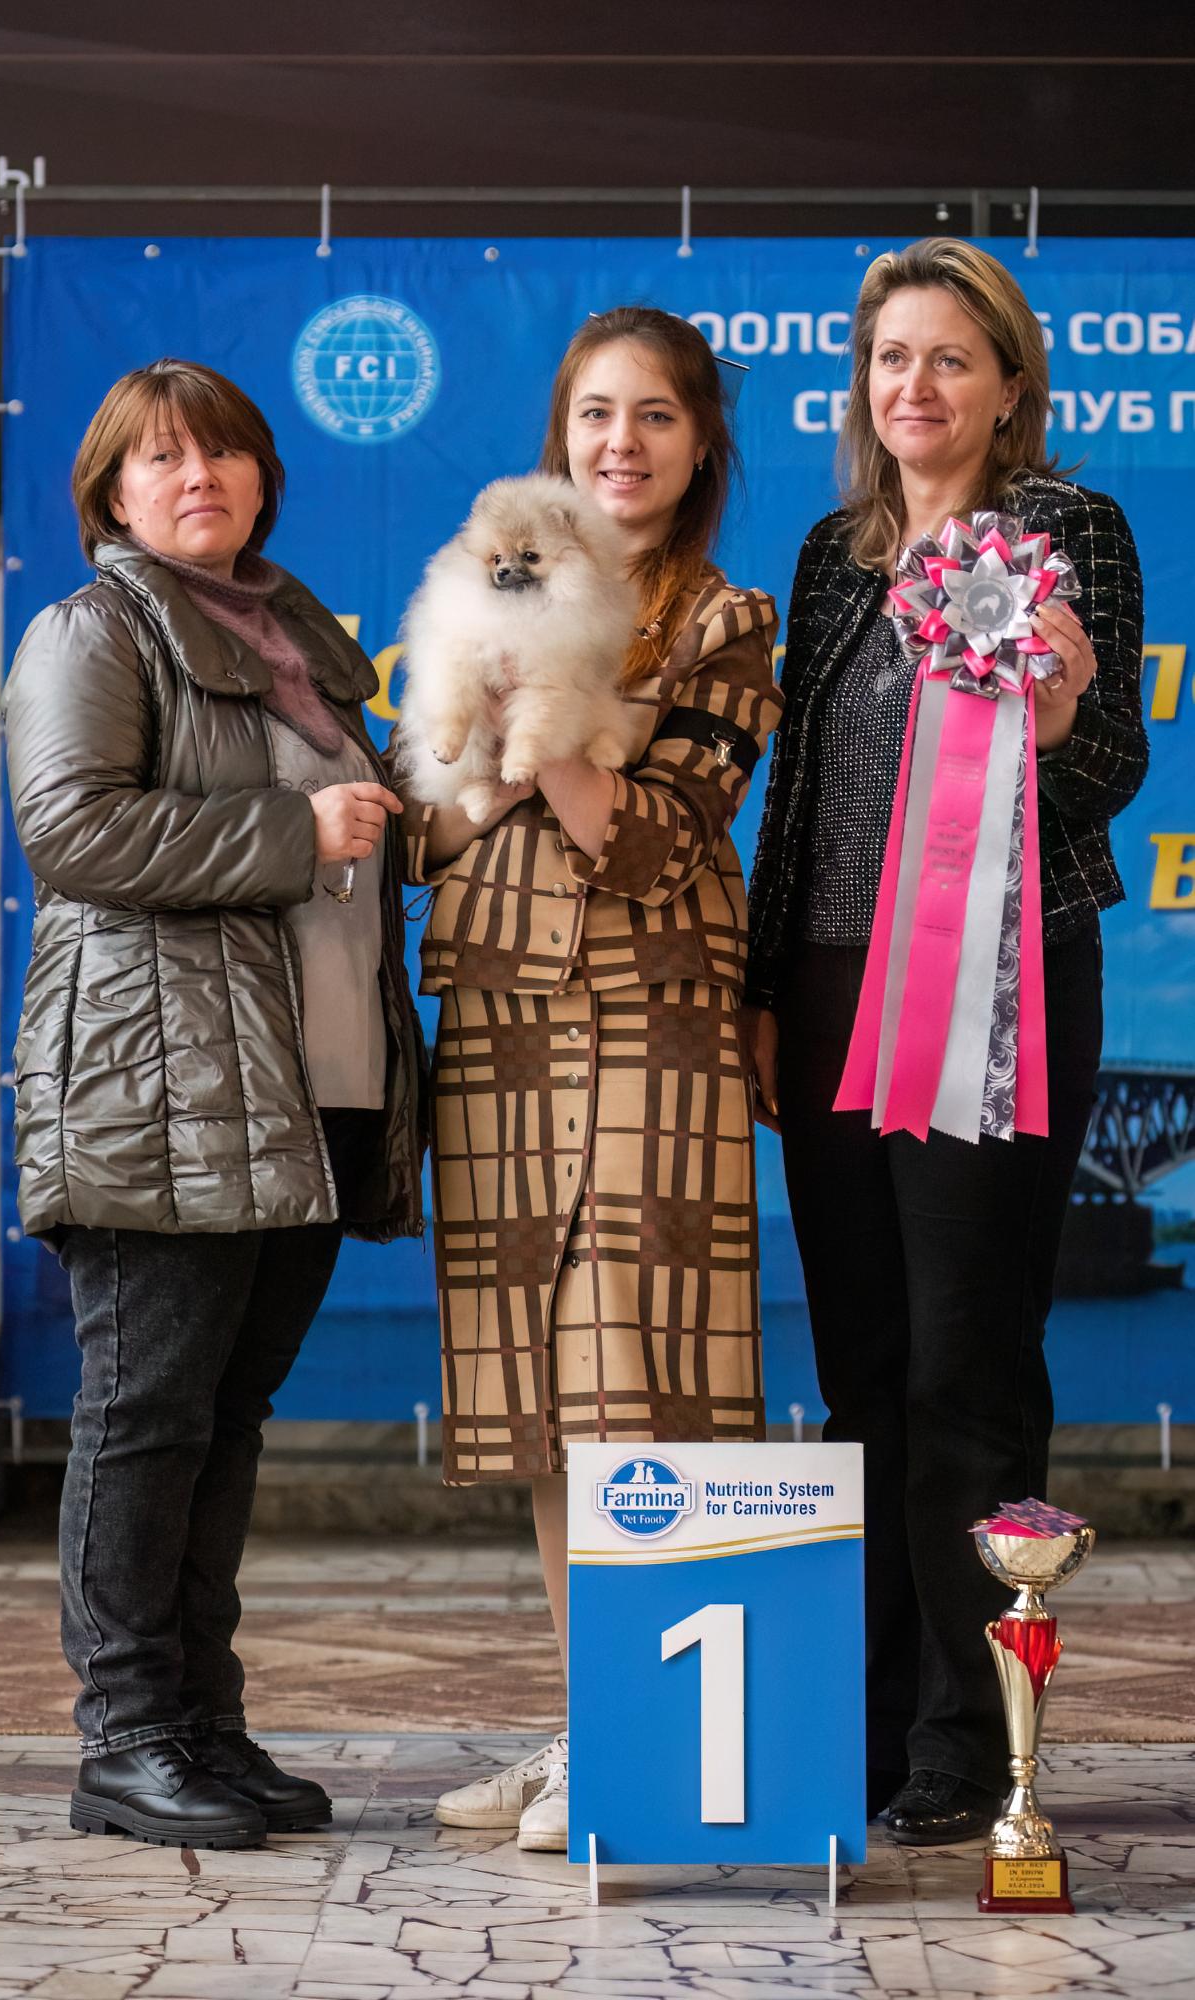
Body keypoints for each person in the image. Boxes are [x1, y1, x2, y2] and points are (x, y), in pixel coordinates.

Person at [743, 240, 1147, 1844]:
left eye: (950, 360)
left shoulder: (1064, 533)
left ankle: (972, 1748)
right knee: (863, 1371)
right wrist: (771, 989)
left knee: (969, 1367)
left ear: (1009, 385)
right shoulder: (835, 555)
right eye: (890, 359)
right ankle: (863, 1723)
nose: (916, 387)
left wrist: (1056, 718)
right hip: (838, 998)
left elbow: (1108, 763)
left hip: (1001, 988)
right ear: (862, 387)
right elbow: (796, 803)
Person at [3, 358, 425, 1851]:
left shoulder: (293, 641)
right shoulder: (92, 628)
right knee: (145, 1415)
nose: (206, 480)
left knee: (221, 1418)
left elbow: (353, 833)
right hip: (157, 1092)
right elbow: (71, 829)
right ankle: (125, 1736)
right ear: (111, 491)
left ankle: (201, 1722)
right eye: (168, 460)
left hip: (303, 1090)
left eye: (230, 456)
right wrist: (294, 829)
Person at [397, 306, 782, 1852]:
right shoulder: (477, 576)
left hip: (653, 1023)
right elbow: (429, 813)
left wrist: (539, 699)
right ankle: (583, 1731)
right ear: (561, 432)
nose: (620, 442)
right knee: (544, 1411)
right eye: (596, 414)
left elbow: (654, 837)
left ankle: (652, 1737)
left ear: (700, 449)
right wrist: (471, 714)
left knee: (650, 1386)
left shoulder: (725, 620)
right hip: (495, 1024)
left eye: (657, 418)